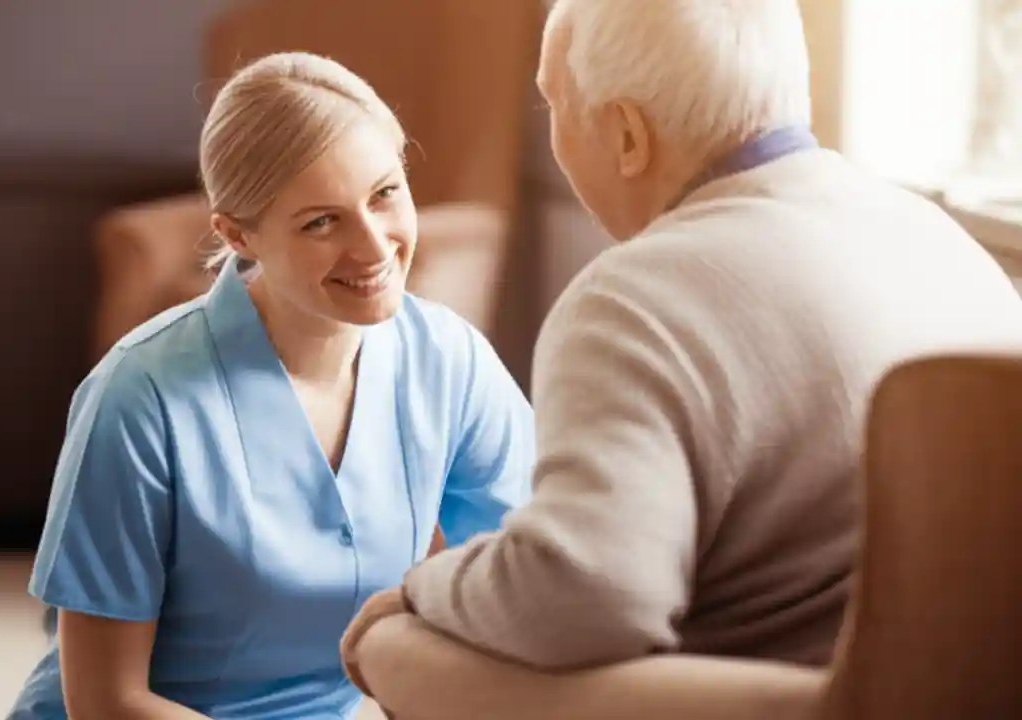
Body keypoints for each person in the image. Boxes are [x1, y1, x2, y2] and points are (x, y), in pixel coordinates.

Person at [341, 0, 1022, 710]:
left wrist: (428, 587)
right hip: (962, 692)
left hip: (805, 696)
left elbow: (586, 596)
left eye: (555, 108)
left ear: (628, 135)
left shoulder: (631, 298)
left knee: (395, 640)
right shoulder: (940, 238)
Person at [7, 52, 534, 720]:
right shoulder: (139, 398)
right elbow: (107, 703)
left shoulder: (449, 362)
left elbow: (523, 583)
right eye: (321, 221)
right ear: (238, 233)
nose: (374, 247)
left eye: (385, 193)